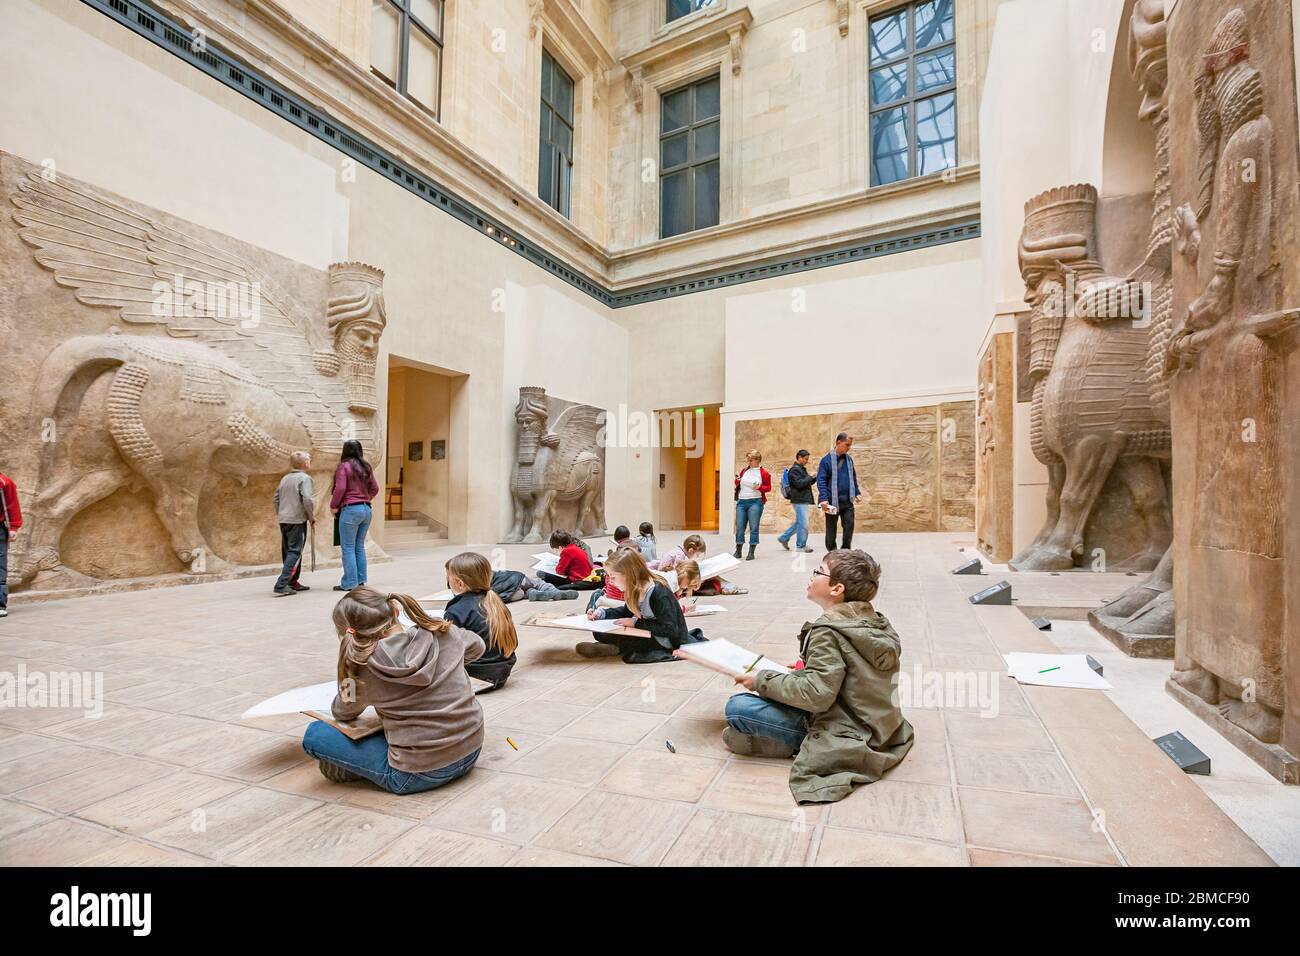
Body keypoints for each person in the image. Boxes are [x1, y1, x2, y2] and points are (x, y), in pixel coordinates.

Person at [721, 549, 913, 804]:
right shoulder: (874, 621)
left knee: (738, 709)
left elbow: (817, 695)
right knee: (749, 714)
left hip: (843, 729)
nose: (811, 577)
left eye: (818, 571)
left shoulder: (827, 631)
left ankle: (797, 744)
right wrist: (806, 667)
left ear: (837, 589)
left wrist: (760, 680)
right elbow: (853, 670)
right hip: (878, 728)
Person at [302, 587, 484, 794]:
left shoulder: (361, 666)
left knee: (316, 734)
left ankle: (354, 770)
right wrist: (449, 665)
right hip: (471, 749)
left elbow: (343, 711)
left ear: (349, 633)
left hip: (417, 774)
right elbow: (478, 647)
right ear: (396, 610)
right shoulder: (443, 631)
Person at [577, 549, 706, 662]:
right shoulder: (635, 589)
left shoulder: (658, 592)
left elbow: (670, 629)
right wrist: (602, 614)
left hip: (666, 639)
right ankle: (614, 646)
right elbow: (626, 611)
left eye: (613, 577)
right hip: (648, 630)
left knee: (635, 642)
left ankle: (614, 649)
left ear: (629, 574)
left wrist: (635, 624)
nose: (610, 581)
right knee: (599, 633)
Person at [444, 552, 520, 691]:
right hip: (502, 675)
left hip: (476, 677)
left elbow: (448, 650)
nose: (447, 579)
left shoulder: (456, 610)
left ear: (460, 584)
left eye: (449, 576)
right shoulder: (496, 602)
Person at [330, 440, 379, 591]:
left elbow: (340, 488)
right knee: (359, 546)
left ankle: (350, 582)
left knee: (348, 547)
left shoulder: (343, 466)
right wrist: (366, 498)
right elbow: (375, 488)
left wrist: (334, 505)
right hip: (366, 510)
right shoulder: (366, 467)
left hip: (350, 510)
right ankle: (360, 580)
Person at [272, 451, 315, 596]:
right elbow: (308, 500)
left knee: (288, 551)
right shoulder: (305, 478)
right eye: (308, 460)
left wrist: (281, 513)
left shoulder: (285, 478)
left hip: (284, 519)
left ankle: (292, 582)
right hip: (297, 520)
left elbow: (276, 498)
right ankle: (281, 584)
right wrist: (311, 517)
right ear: (305, 463)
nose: (310, 462)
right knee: (295, 551)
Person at [651, 534, 747, 595]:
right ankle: (728, 586)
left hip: (673, 581)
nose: (696, 557)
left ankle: (728, 586)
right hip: (672, 583)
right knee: (710, 578)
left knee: (713, 576)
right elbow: (679, 576)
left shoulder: (679, 551)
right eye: (697, 555)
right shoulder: (679, 556)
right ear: (691, 550)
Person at [816, 433, 862, 552]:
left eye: (850, 445)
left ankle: (845, 551)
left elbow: (853, 476)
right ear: (838, 442)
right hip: (831, 502)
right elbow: (821, 480)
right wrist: (824, 498)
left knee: (849, 527)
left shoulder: (849, 460)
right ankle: (832, 552)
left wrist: (856, 492)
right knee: (831, 531)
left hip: (847, 502)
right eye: (847, 445)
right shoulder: (826, 461)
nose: (849, 448)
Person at [733, 450, 771, 561]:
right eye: (748, 459)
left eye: (751, 460)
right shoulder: (744, 470)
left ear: (758, 460)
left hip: (755, 502)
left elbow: (768, 488)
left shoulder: (764, 473)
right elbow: (738, 484)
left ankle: (751, 552)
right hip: (741, 501)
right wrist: (737, 480)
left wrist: (759, 487)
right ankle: (738, 550)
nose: (749, 462)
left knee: (753, 527)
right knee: (740, 527)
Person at [777, 449, 816, 554]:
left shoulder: (801, 469)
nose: (807, 461)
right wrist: (810, 477)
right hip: (799, 499)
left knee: (800, 522)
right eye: (805, 459)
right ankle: (801, 546)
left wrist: (813, 478)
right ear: (799, 457)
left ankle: (784, 538)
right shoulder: (794, 470)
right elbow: (799, 484)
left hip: (802, 499)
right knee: (804, 524)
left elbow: (806, 483)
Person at [538, 530, 602, 591]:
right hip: (585, 576)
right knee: (543, 575)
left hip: (576, 579)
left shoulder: (566, 551)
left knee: (546, 575)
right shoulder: (574, 547)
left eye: (556, 550)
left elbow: (560, 571)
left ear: (560, 547)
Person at [0, 469, 21, 619]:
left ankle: (0, 604)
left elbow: (12, 504)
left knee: (0, 565)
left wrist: (13, 527)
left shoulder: (4, 482)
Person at [490, 569, 576, 603]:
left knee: (523, 593)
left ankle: (531, 593)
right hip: (517, 580)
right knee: (539, 583)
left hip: (510, 596)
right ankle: (556, 592)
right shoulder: (482, 568)